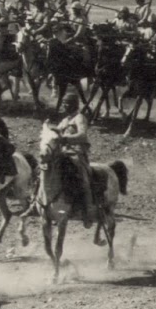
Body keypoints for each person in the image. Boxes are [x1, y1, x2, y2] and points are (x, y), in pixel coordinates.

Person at [51, 92, 97, 224]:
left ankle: (87, 210)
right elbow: (56, 134)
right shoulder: (64, 121)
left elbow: (83, 135)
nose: (64, 106)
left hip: (76, 153)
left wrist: (65, 139)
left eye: (66, 104)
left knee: (81, 177)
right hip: (62, 153)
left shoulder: (80, 118)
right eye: (64, 103)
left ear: (73, 105)